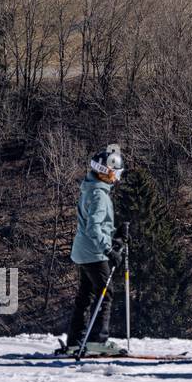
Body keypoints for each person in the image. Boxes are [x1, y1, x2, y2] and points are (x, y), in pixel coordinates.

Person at [61, 144, 127, 356]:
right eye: (116, 173)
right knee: (105, 294)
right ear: (107, 172)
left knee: (85, 296)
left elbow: (96, 224)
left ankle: (76, 341)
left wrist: (115, 236)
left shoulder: (90, 188)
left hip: (84, 251)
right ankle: (98, 340)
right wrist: (109, 250)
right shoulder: (99, 194)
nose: (117, 178)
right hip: (94, 253)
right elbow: (93, 227)